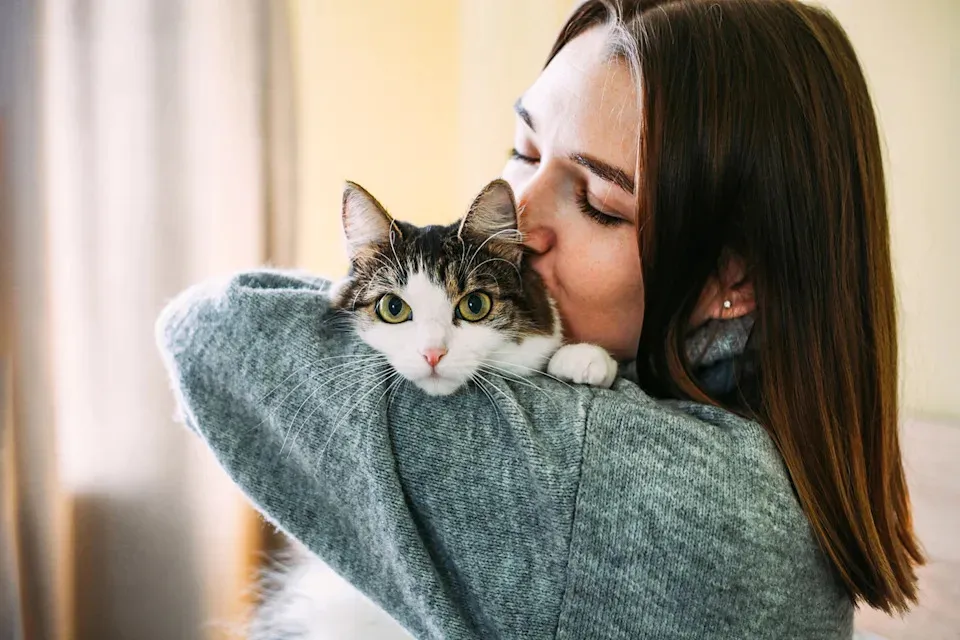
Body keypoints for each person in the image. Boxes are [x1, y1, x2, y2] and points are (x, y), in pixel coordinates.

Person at [157, 0, 923, 637]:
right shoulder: (765, 451)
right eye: (522, 150)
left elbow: (216, 335)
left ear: (733, 279)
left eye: (597, 203)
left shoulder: (640, 488)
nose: (518, 224)